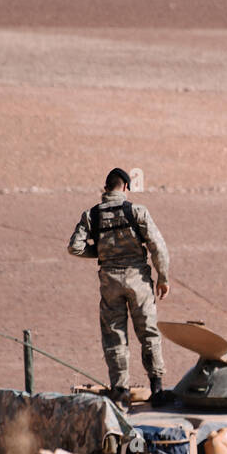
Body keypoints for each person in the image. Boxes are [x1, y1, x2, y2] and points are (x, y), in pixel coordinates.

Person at [68, 168, 171, 407]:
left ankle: (120, 390)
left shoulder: (91, 215)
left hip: (109, 282)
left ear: (106, 187)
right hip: (138, 281)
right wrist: (163, 278)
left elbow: (74, 247)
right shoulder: (137, 211)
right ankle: (157, 389)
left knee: (115, 335)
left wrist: (102, 253)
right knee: (148, 333)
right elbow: (158, 246)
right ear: (125, 186)